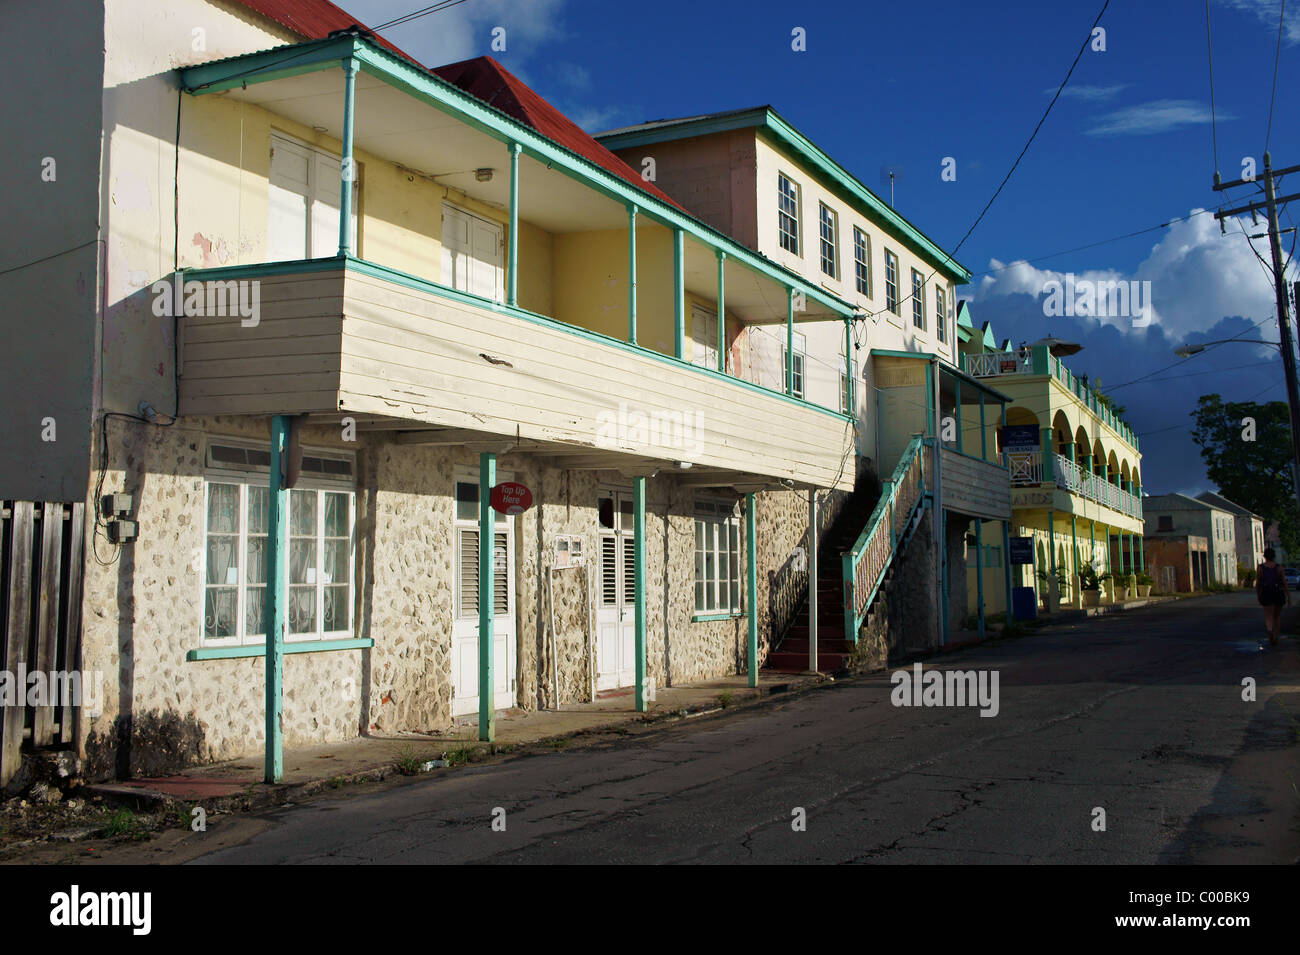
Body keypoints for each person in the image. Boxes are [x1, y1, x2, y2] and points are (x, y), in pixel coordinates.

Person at [1256, 548, 1289, 646]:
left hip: (1266, 592)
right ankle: (1275, 636)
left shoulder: (1260, 567)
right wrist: (1289, 596)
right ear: (1274, 556)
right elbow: (1284, 583)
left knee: (1268, 615)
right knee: (1277, 616)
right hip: (1278, 592)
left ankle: (1270, 630)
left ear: (1264, 556)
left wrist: (1258, 595)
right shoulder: (1279, 568)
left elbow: (1258, 583)